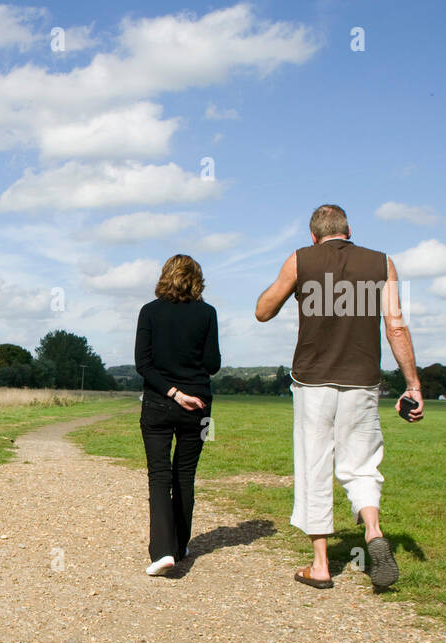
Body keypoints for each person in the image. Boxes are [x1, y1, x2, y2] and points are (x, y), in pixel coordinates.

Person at [254, 203, 423, 590]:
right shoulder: (381, 263)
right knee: (361, 465)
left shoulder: (302, 259)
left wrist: (292, 283)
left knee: (315, 466)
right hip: (363, 381)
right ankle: (374, 532)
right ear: (348, 230)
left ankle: (320, 566)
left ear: (314, 235)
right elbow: (395, 326)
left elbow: (262, 311)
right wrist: (412, 384)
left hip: (313, 381)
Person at [135, 254, 221, 576]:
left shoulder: (149, 312)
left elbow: (142, 364)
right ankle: (180, 545)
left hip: (158, 403)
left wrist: (171, 392)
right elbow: (212, 363)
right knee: (185, 474)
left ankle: (162, 552)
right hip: (199, 408)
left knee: (159, 476)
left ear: (164, 276)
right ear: (197, 279)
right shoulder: (208, 313)